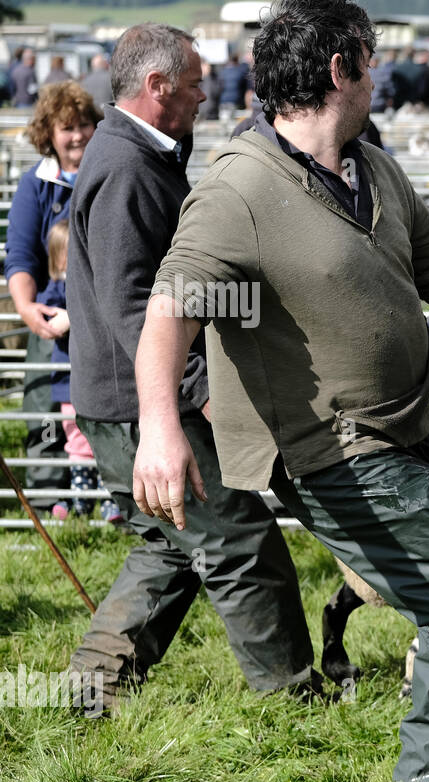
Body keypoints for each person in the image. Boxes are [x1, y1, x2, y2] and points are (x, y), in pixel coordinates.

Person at [132, 0, 429, 782]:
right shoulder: (239, 187)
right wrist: (162, 432)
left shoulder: (372, 169)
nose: (378, 76)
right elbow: (170, 311)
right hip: (329, 450)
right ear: (343, 66)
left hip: (405, 434)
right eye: (370, 61)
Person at [64, 22, 319, 713]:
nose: (208, 95)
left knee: (173, 543)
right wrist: (195, 390)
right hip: (144, 405)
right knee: (237, 540)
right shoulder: (126, 168)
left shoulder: (136, 158)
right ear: (157, 87)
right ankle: (292, 700)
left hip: (124, 398)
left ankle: (93, 686)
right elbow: (135, 304)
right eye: (197, 82)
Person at [4, 82, 99, 514]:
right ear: (49, 133)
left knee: (97, 409)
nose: (77, 135)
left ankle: (106, 497)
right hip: (52, 315)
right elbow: (21, 255)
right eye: (67, 128)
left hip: (100, 316)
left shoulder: (107, 174)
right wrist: (26, 307)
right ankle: (48, 495)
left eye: (84, 124)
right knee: (45, 403)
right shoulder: (37, 185)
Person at [40, 220, 119, 522]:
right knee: (76, 437)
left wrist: (73, 316)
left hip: (99, 380)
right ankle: (81, 496)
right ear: (59, 258)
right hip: (68, 382)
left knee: (104, 436)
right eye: (70, 253)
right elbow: (50, 316)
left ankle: (110, 497)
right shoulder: (57, 288)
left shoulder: (98, 286)